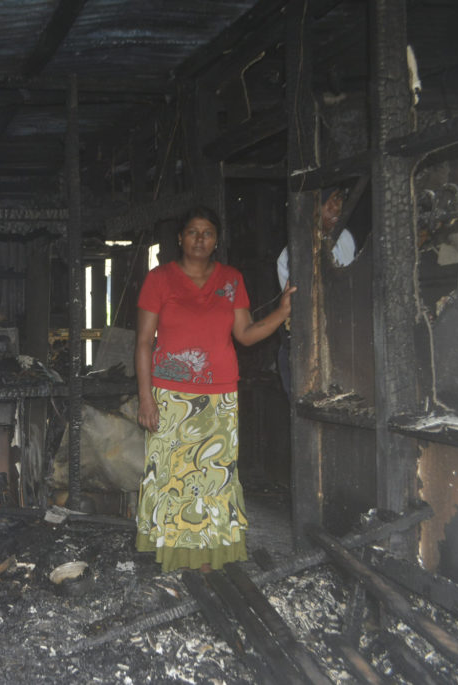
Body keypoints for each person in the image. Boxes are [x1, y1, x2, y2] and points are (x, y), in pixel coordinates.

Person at [134, 207, 294, 573]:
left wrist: (282, 312)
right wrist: (146, 398)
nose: (200, 239)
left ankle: (207, 557)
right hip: (170, 396)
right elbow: (143, 343)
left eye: (207, 233)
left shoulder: (231, 280)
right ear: (180, 238)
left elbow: (246, 334)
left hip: (219, 397)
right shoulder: (159, 280)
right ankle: (176, 557)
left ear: (216, 240)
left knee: (213, 479)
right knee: (172, 478)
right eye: (192, 232)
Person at [275, 187, 355, 395]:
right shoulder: (290, 256)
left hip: (345, 340)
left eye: (338, 199)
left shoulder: (345, 238)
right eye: (327, 203)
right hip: (310, 345)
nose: (335, 208)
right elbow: (303, 311)